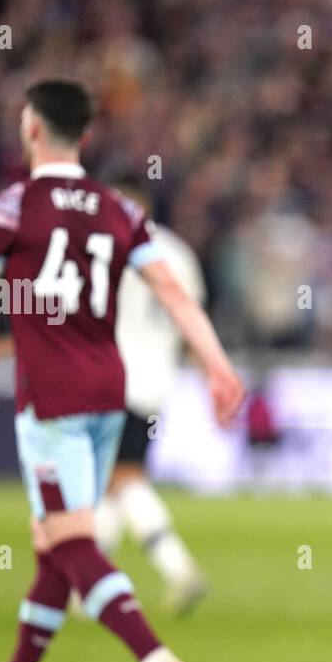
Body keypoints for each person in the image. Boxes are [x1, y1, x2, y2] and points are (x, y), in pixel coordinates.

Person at [0, 79, 244, 662]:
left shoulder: (7, 208)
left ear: (31, 128)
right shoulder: (117, 209)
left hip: (51, 399)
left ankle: (155, 661)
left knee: (71, 538)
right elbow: (172, 291)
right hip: (111, 392)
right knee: (52, 542)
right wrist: (219, 367)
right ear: (85, 135)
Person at [93, 177, 210, 617]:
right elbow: (190, 322)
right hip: (156, 379)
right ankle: (91, 587)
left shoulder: (107, 248)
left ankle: (178, 568)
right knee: (107, 481)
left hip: (113, 377)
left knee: (121, 478)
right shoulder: (178, 252)